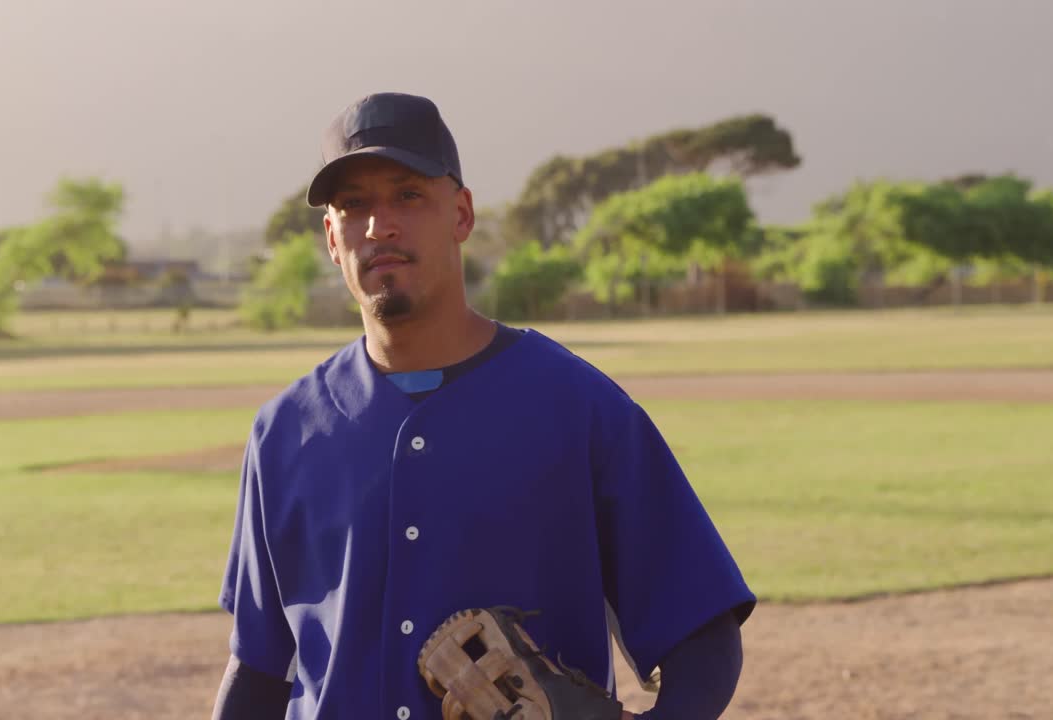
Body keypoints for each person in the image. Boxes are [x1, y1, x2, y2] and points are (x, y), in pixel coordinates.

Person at [211, 92, 755, 720]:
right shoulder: (285, 431)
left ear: (461, 214)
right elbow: (258, 671)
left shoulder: (575, 406)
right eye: (353, 204)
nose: (378, 224)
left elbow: (703, 633)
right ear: (331, 239)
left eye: (407, 195)